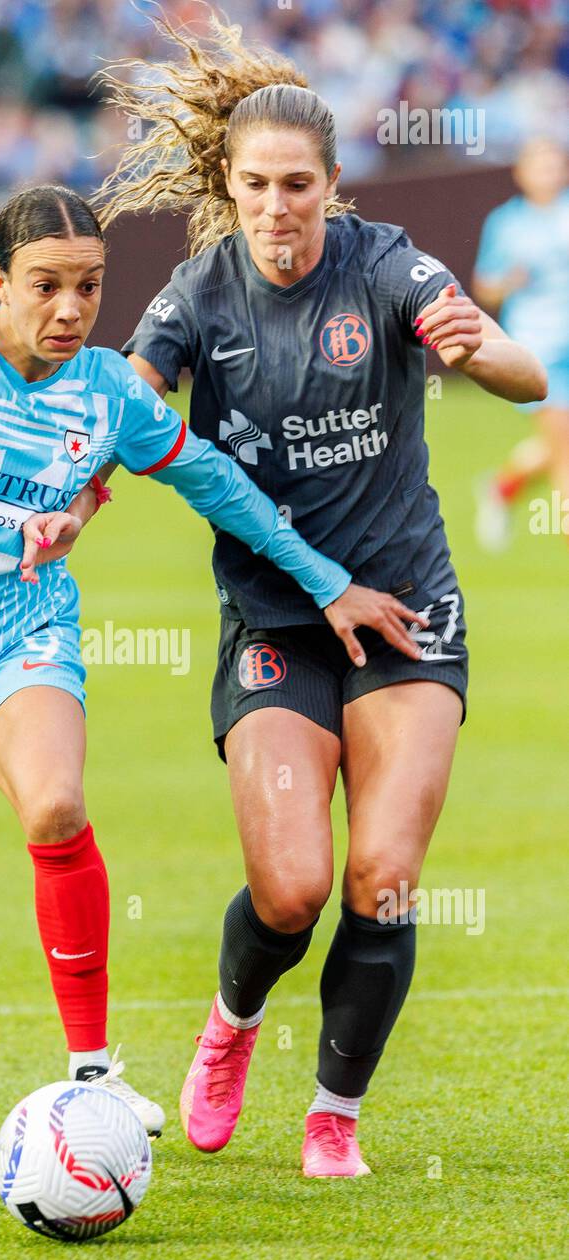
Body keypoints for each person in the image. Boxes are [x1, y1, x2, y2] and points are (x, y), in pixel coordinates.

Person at [0, 183, 418, 1153]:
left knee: (56, 803)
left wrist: (324, 582)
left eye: (89, 288)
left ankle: (92, 1075)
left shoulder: (104, 390)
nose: (69, 310)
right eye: (45, 286)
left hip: (20, 636)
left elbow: (215, 483)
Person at [76, 15, 546, 1177]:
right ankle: (230, 1024)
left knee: (382, 877)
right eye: (256, 187)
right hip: (278, 626)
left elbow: (526, 374)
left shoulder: (387, 262)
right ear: (227, 189)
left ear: (331, 185)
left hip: (404, 615)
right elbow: (124, 418)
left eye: (298, 185)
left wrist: (470, 345)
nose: (277, 207)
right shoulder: (196, 296)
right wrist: (70, 500)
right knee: (289, 889)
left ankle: (332, 1113)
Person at [472, 137, 569, 551]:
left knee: (559, 444)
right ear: (521, 174)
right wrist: (510, 281)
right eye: (539, 166)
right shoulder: (507, 223)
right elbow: (485, 289)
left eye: (554, 165)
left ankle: (502, 486)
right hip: (541, 349)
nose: (548, 173)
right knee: (565, 450)